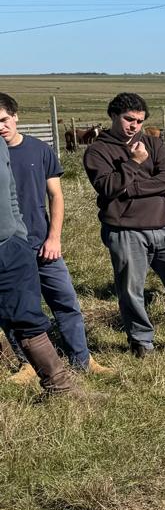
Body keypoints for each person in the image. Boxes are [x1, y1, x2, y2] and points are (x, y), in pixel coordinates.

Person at [82, 93, 165, 355]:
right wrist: (133, 163)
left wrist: (129, 188)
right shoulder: (98, 150)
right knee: (131, 290)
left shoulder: (153, 143)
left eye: (139, 121)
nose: (134, 126)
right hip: (125, 230)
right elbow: (107, 187)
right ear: (113, 116)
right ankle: (142, 342)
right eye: (129, 119)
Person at [0, 93, 111, 382]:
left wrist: (54, 237)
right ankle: (27, 364)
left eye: (4, 120)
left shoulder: (39, 150)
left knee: (65, 300)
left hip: (42, 241)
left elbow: (56, 196)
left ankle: (82, 357)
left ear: (16, 116)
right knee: (15, 307)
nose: (1, 127)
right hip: (10, 247)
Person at [0, 124, 78, 396]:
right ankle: (34, 371)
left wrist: (19, 233)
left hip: (14, 244)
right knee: (13, 313)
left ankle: (65, 379)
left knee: (33, 312)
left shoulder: (6, 147)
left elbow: (10, 193)